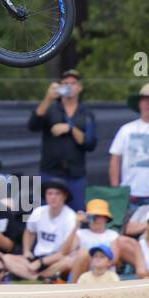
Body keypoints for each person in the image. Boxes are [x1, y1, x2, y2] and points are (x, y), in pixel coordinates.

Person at [28, 69, 96, 210]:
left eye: (73, 83)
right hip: (50, 172)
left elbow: (90, 143)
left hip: (75, 175)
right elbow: (32, 125)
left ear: (80, 87)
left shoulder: (87, 113)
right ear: (60, 86)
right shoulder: (51, 108)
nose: (70, 86)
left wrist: (70, 128)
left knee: (77, 215)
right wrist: (48, 98)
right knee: (45, 213)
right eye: (66, 83)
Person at [3, 179, 77, 281]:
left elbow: (65, 252)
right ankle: (38, 278)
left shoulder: (71, 217)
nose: (53, 197)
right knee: (6, 258)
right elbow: (29, 232)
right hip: (37, 257)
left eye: (57, 194)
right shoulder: (38, 211)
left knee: (69, 262)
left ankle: (32, 275)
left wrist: (41, 262)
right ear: (45, 196)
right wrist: (26, 251)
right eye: (49, 193)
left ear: (64, 196)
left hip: (56, 259)